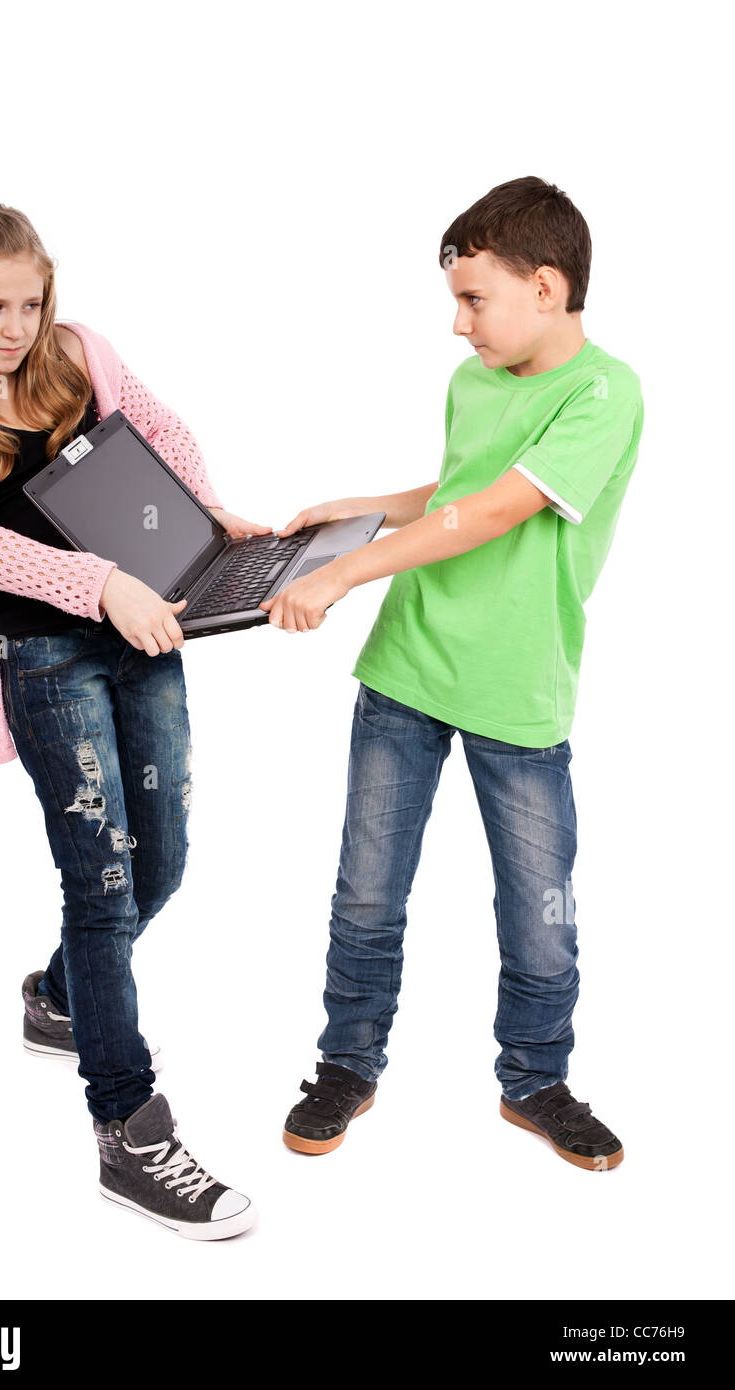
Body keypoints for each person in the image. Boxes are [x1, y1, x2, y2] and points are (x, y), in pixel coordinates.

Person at [0, 201, 262, 1237]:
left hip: (145, 629)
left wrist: (207, 514)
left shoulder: (79, 351)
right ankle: (128, 1131)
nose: (16, 326)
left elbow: (164, 433)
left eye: (30, 300)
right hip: (48, 655)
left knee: (165, 860)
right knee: (100, 886)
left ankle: (58, 996)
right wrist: (101, 584)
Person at [261, 176, 643, 1172]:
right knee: (365, 893)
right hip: (407, 671)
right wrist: (358, 511)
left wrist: (342, 574)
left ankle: (535, 1078)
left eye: (472, 299)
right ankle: (347, 1063)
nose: (455, 324)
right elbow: (453, 492)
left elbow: (491, 515)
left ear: (545, 288)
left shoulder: (604, 393)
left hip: (517, 690)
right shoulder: (474, 383)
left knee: (537, 907)